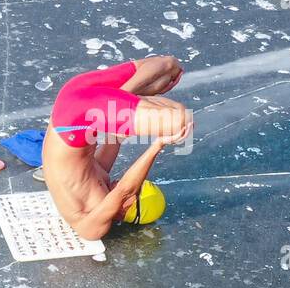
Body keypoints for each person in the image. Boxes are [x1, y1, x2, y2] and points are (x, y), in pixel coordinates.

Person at [42, 55, 193, 240]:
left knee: (181, 120)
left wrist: (158, 145)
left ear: (129, 206)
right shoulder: (98, 180)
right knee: (170, 67)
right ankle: (122, 95)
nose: (119, 180)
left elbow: (124, 190)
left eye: (139, 188)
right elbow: (116, 139)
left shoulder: (89, 228)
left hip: (75, 117)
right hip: (75, 99)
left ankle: (122, 96)